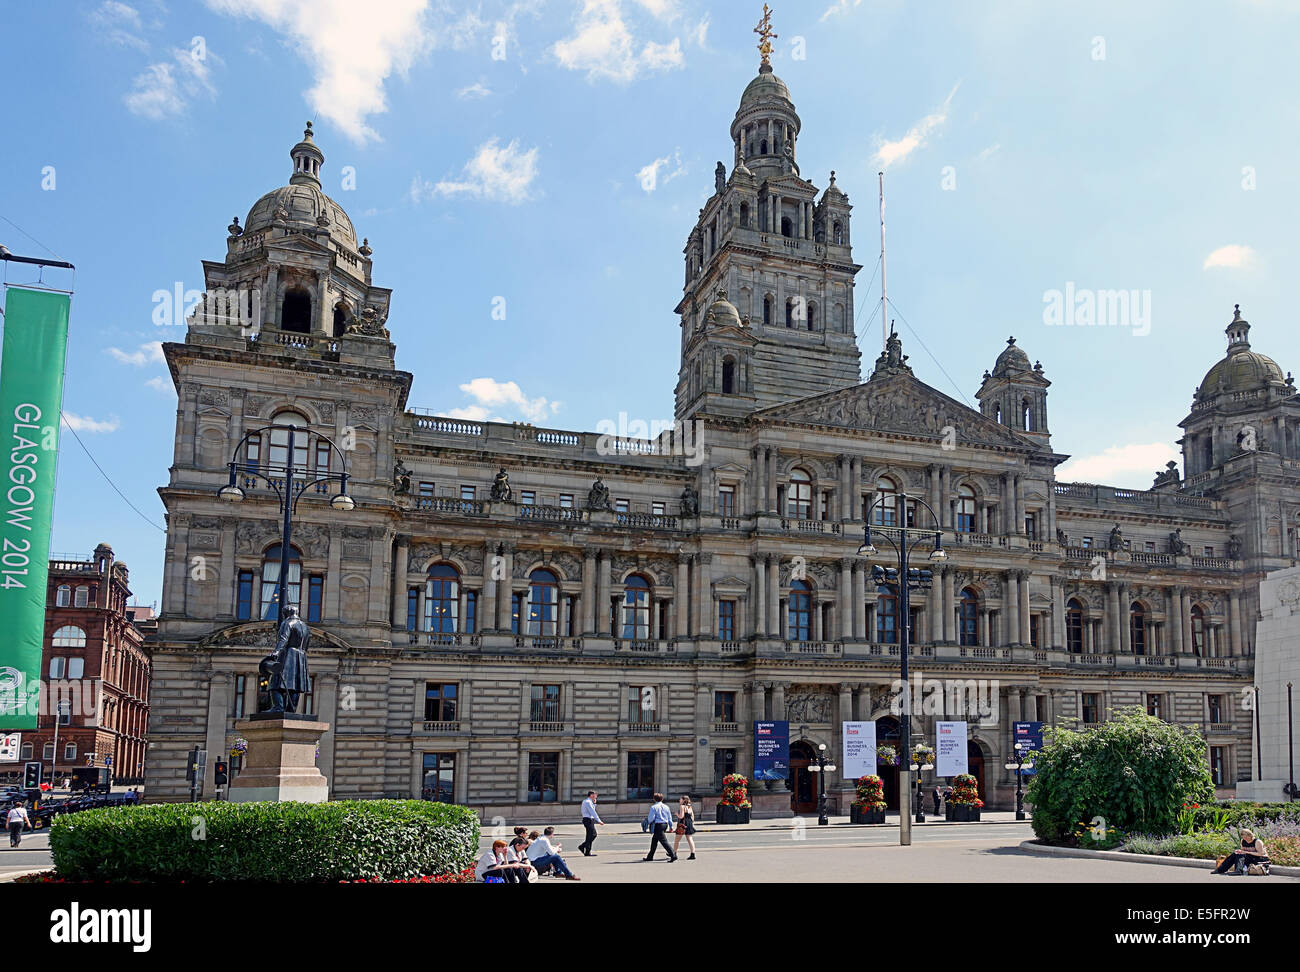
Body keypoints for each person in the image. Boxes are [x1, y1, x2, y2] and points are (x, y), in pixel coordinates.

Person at [644, 793, 678, 862]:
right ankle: (650, 856)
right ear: (662, 799)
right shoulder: (666, 807)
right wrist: (671, 826)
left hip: (658, 825)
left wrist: (648, 822)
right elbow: (669, 818)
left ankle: (673, 855)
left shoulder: (653, 807)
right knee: (654, 841)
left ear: (654, 799)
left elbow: (651, 818)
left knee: (664, 841)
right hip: (665, 824)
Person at [671, 795, 697, 860]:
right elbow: (692, 817)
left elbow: (681, 816)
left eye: (680, 799)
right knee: (690, 839)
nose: (679, 800)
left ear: (683, 800)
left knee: (677, 840)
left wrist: (677, 814)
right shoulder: (689, 806)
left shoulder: (682, 806)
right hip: (689, 823)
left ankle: (674, 853)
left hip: (682, 824)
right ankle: (692, 854)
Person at [579, 789, 604, 856]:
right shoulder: (587, 802)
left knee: (589, 836)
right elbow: (592, 812)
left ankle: (587, 851)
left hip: (590, 819)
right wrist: (599, 820)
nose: (596, 796)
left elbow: (592, 810)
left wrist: (594, 803)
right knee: (593, 835)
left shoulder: (589, 802)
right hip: (588, 820)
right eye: (595, 795)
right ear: (592, 795)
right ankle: (583, 847)